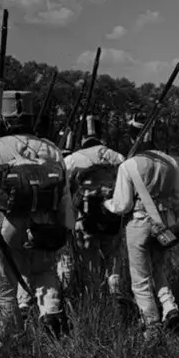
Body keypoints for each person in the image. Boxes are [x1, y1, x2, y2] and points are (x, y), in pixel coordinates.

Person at [0, 90, 74, 337]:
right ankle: (52, 315)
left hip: (5, 225)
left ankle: (12, 338)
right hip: (45, 224)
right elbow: (64, 196)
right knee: (44, 272)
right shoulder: (52, 149)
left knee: (5, 286)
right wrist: (64, 228)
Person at [104, 118, 179, 337]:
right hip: (164, 223)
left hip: (138, 223)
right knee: (159, 269)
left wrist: (106, 203)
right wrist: (169, 218)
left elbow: (122, 206)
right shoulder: (170, 162)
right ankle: (169, 307)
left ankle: (151, 323)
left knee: (140, 278)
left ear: (132, 137)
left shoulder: (128, 165)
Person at [59, 115, 126, 297]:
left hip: (84, 219)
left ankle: (94, 300)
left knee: (90, 266)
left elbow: (63, 190)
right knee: (113, 262)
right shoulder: (117, 157)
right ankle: (116, 296)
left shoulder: (72, 160)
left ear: (82, 136)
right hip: (113, 217)